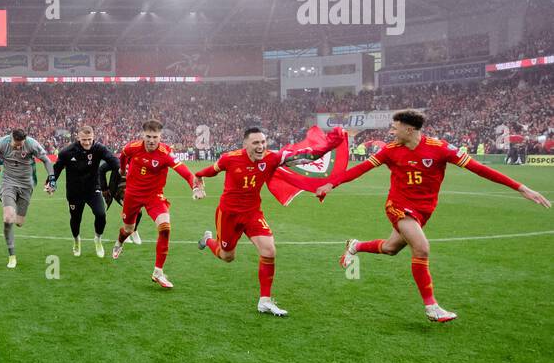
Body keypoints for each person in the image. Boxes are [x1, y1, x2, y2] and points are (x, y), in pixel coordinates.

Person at [317, 109, 550, 322]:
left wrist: (521, 188)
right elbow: (360, 169)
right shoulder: (390, 150)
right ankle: (432, 307)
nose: (391, 130)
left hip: (424, 210)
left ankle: (356, 246)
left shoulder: (440, 148)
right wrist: (331, 184)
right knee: (422, 248)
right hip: (398, 206)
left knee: (391, 248)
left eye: (395, 127)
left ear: (409, 129)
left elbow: (480, 169)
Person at [193, 127, 306, 317]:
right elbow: (206, 171)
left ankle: (265, 301)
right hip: (229, 214)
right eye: (256, 143)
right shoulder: (229, 158)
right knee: (227, 256)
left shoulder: (271, 157)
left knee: (269, 250)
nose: (261, 146)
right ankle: (208, 240)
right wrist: (198, 181)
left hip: (253, 213)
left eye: (263, 142)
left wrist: (328, 149)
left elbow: (299, 157)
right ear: (245, 144)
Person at [111, 120, 201, 288]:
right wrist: (122, 170)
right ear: (143, 135)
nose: (152, 140)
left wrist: (194, 186)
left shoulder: (165, 153)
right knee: (128, 229)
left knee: (165, 227)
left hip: (154, 196)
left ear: (160, 136)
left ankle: (158, 272)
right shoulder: (133, 147)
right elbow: (123, 155)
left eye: (155, 137)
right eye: (148, 137)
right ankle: (119, 243)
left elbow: (184, 171)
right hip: (132, 194)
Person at [47, 126, 120, 258]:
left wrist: (122, 170)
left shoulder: (99, 148)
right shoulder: (67, 152)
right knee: (76, 219)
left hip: (92, 189)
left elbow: (113, 160)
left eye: (89, 139)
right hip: (74, 192)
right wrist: (51, 184)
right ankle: (76, 241)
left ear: (93, 137)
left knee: (101, 214)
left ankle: (98, 239)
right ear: (78, 137)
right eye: (84, 139)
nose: (87, 142)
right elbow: (56, 169)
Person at [0, 128, 54, 268]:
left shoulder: (31, 144)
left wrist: (52, 179)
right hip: (9, 183)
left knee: (19, 222)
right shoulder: (1, 143)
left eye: (21, 144)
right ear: (10, 137)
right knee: (8, 218)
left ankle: (13, 206)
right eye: (16, 144)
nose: (19, 147)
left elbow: (47, 161)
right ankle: (12, 256)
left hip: (26, 185)